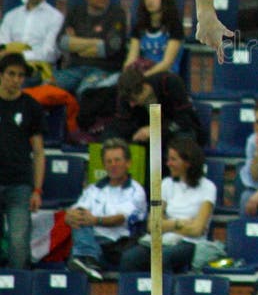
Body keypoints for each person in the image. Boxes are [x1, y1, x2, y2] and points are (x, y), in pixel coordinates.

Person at [120, 135, 215, 273]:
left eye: (173, 159)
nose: (168, 163)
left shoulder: (208, 187)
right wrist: (179, 223)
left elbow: (197, 230)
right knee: (129, 258)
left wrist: (165, 224)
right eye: (168, 159)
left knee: (163, 257)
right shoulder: (164, 184)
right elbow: (151, 225)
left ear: (187, 162)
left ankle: (164, 294)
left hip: (190, 243)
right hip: (161, 239)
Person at [65, 138, 147, 281]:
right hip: (90, 238)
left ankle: (88, 259)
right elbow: (76, 210)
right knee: (79, 217)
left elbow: (121, 218)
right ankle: (89, 260)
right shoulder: (94, 188)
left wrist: (95, 220)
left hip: (117, 243)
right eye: (108, 161)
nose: (113, 165)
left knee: (76, 255)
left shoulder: (136, 191)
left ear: (128, 163)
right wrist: (69, 216)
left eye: (117, 160)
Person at [0, 53, 44, 268]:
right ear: (1, 75)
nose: (16, 79)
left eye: (20, 75)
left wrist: (37, 189)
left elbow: (38, 152)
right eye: (11, 74)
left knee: (19, 244)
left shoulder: (31, 107)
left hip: (19, 185)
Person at [54, 0, 126, 99]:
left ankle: (157, 119)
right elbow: (62, 41)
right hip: (75, 69)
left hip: (105, 70)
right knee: (45, 86)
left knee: (85, 92)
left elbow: (110, 48)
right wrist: (96, 43)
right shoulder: (75, 11)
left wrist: (76, 43)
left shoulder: (117, 14)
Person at [109, 66, 205, 147]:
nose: (131, 104)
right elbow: (122, 126)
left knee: (180, 144)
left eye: (134, 100)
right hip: (150, 136)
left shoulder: (169, 82)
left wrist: (155, 130)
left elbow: (185, 120)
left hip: (178, 130)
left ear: (145, 87)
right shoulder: (126, 98)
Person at [0, 0, 63, 70]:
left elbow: (50, 54)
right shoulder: (11, 16)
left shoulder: (56, 18)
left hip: (38, 68)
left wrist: (20, 56)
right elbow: (2, 44)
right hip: (8, 67)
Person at [123, 0, 184, 76]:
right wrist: (126, 73)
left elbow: (166, 63)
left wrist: (145, 76)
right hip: (143, 72)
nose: (150, 0)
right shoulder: (139, 27)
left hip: (166, 76)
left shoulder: (174, 26)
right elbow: (131, 58)